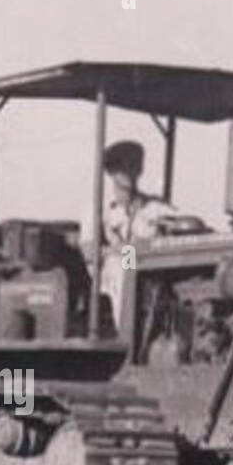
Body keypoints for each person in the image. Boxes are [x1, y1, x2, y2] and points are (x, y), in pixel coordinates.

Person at [80, 140, 176, 326]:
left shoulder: (154, 207)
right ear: (112, 172)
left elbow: (178, 223)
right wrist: (124, 249)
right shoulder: (99, 207)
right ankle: (127, 336)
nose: (131, 172)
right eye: (123, 167)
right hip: (113, 269)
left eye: (135, 166)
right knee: (126, 267)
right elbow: (89, 251)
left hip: (152, 263)